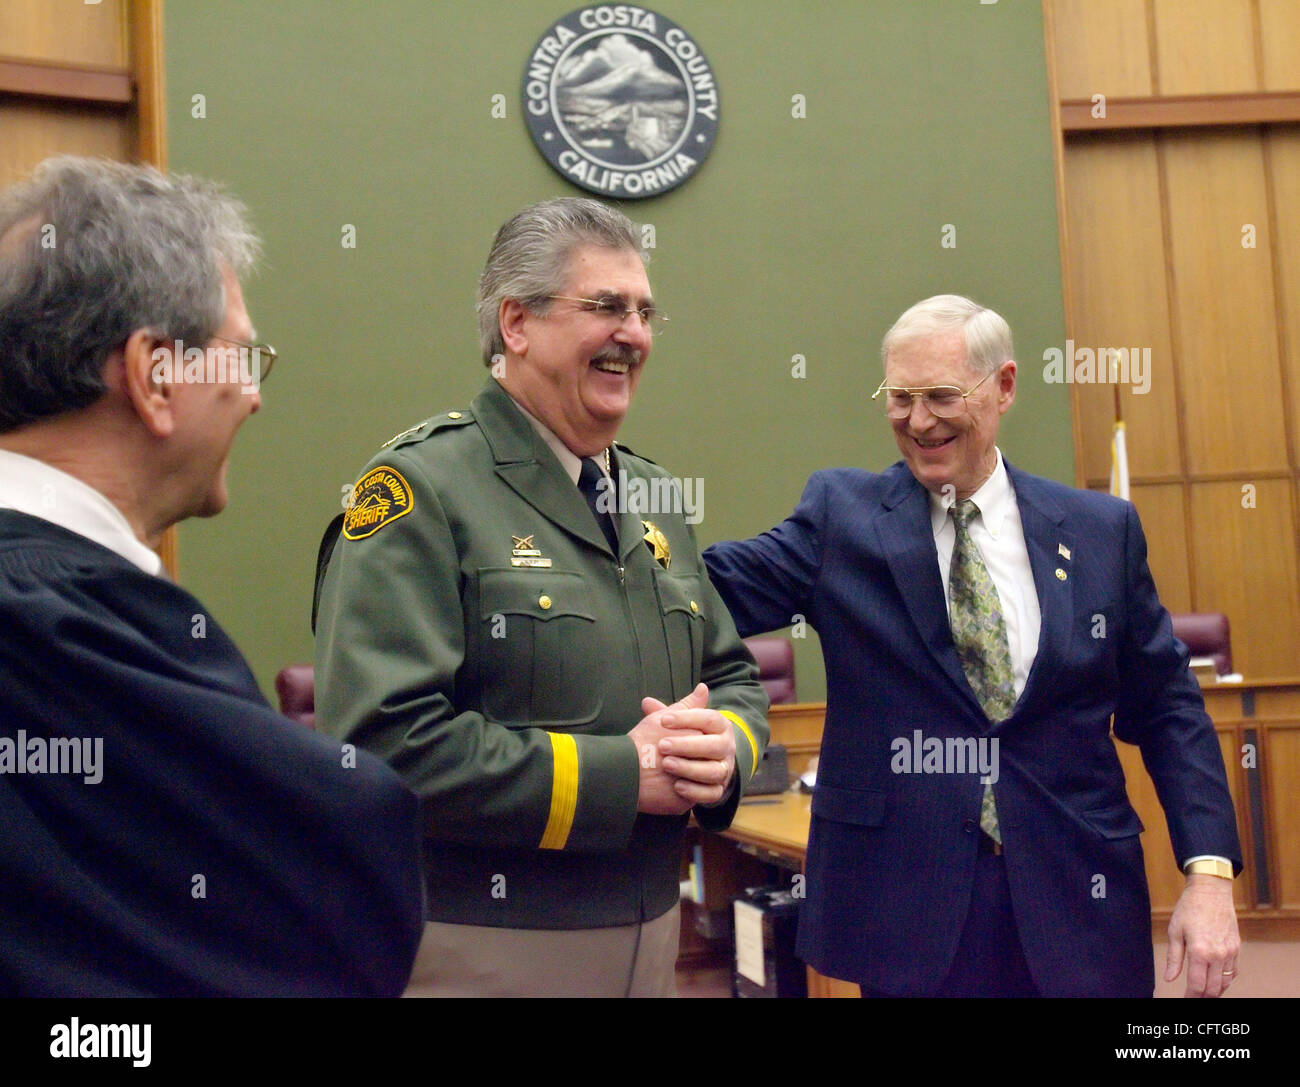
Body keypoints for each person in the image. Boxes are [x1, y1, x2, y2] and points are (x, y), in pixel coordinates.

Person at [703, 294, 1242, 998]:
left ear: (1005, 387)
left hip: (1079, 898)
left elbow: (1169, 708)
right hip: (917, 912)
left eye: (941, 395)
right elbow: (708, 590)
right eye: (900, 397)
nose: (919, 420)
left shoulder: (1101, 530)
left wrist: (1208, 872)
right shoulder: (842, 520)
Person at [313, 197, 768, 997]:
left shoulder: (658, 494)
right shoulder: (418, 489)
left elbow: (732, 676)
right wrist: (620, 775)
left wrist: (724, 747)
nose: (634, 332)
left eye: (644, 310)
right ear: (516, 323)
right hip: (489, 946)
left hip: (657, 938)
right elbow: (383, 743)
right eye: (605, 306)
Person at [0, 156, 424, 997]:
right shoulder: (64, 623)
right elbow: (339, 868)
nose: (253, 398)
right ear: (157, 374)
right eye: (241, 356)